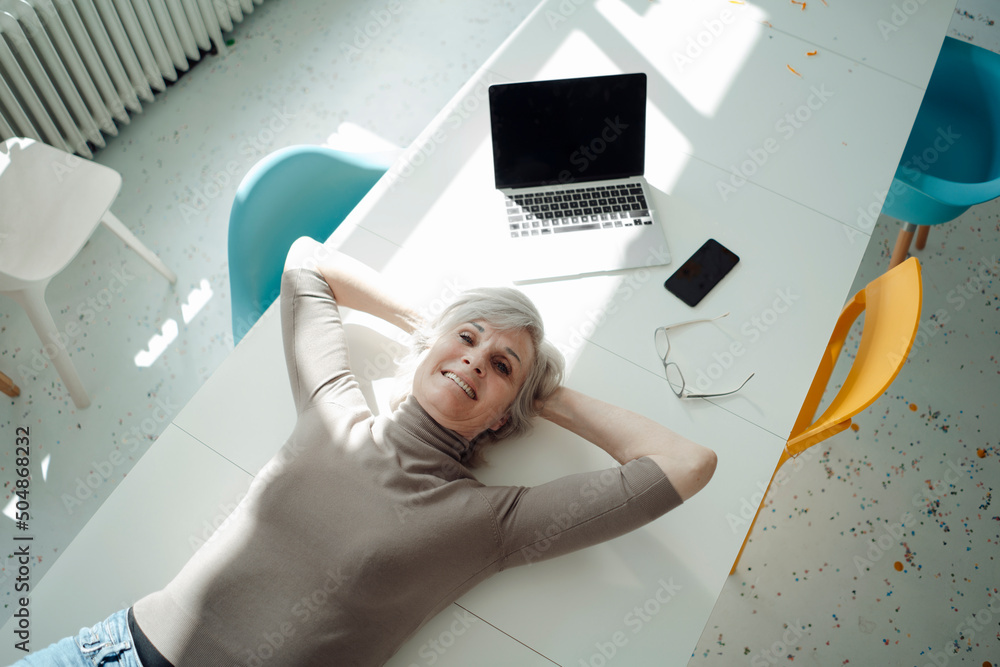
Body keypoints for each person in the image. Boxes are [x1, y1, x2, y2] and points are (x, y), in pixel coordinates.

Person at [15, 237, 716, 667]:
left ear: (506, 418)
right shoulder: (333, 407)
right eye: (468, 338)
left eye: (500, 366)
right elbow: (308, 263)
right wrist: (439, 331)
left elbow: (685, 463)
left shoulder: (489, 521)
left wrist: (543, 390)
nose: (475, 361)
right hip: (108, 653)